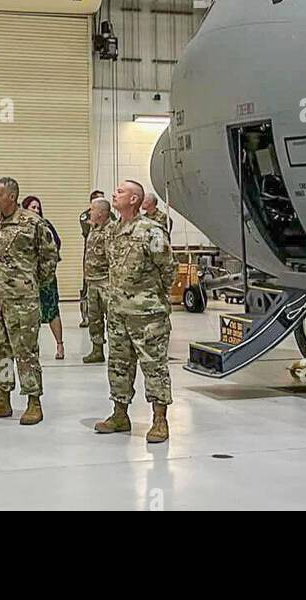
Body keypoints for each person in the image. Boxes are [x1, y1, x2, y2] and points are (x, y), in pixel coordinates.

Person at [95, 179, 177, 444]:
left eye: (119, 191)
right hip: (118, 311)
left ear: (134, 199)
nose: (114, 194)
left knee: (154, 366)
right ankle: (120, 414)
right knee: (118, 365)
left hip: (147, 314)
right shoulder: (112, 231)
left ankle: (160, 419)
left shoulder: (151, 231)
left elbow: (168, 269)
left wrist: (154, 297)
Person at [0, 177, 59, 425]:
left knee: (25, 352)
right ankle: (2, 399)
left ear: (12, 196)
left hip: (23, 301)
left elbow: (49, 258)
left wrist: (31, 284)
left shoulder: (33, 223)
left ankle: (33, 401)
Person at [22, 195, 65, 360]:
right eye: (33, 207)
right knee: (30, 314)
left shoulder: (45, 225)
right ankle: (31, 348)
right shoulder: (19, 227)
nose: (36, 210)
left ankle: (60, 345)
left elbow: (56, 245)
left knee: (52, 310)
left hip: (45, 278)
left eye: (38, 207)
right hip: (26, 278)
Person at [81, 198, 112, 365]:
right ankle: (97, 350)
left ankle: (116, 352)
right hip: (92, 281)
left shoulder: (111, 231)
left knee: (112, 319)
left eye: (92, 209)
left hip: (106, 282)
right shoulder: (93, 229)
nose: (89, 212)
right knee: (94, 318)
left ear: (101, 212)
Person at [77, 189, 106, 326]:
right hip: (89, 256)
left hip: (104, 260)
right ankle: (85, 316)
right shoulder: (84, 216)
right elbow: (87, 230)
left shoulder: (110, 215)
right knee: (86, 287)